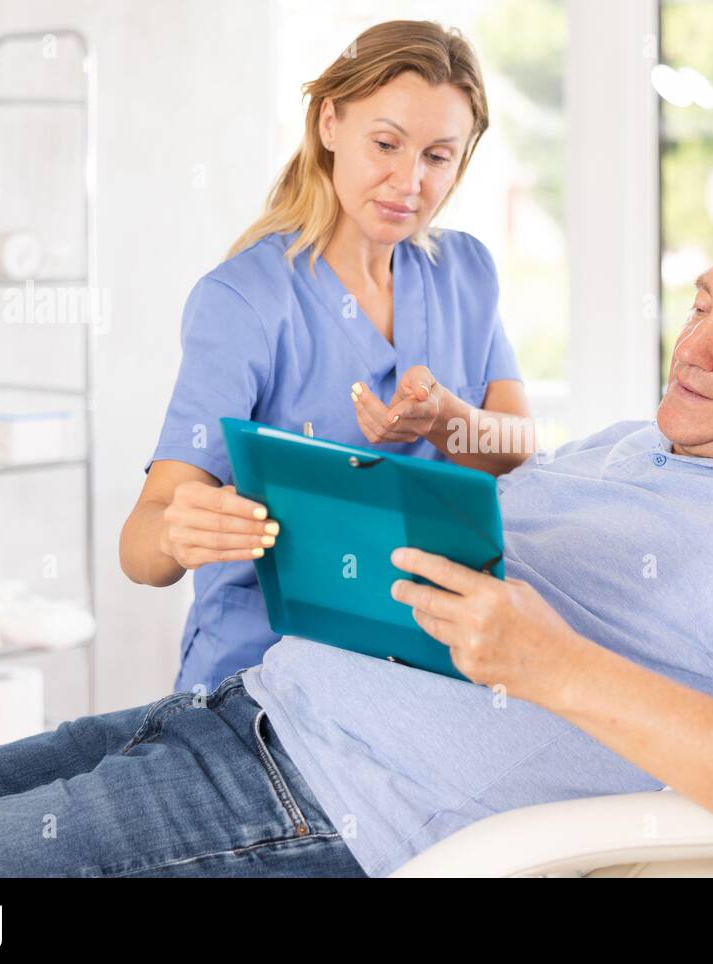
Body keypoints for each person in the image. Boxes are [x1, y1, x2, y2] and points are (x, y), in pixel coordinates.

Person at [0, 204, 713, 878]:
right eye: (702, 306)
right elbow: (520, 471)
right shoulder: (649, 444)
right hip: (245, 714)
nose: (694, 349)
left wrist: (550, 663)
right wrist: (446, 431)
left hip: (312, 806)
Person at [119, 20, 536, 695]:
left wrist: (442, 420)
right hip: (261, 685)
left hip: (424, 667)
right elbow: (141, 545)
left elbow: (518, 447)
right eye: (386, 144)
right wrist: (177, 534)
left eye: (438, 156)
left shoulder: (466, 272)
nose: (409, 181)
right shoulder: (246, 302)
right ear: (330, 123)